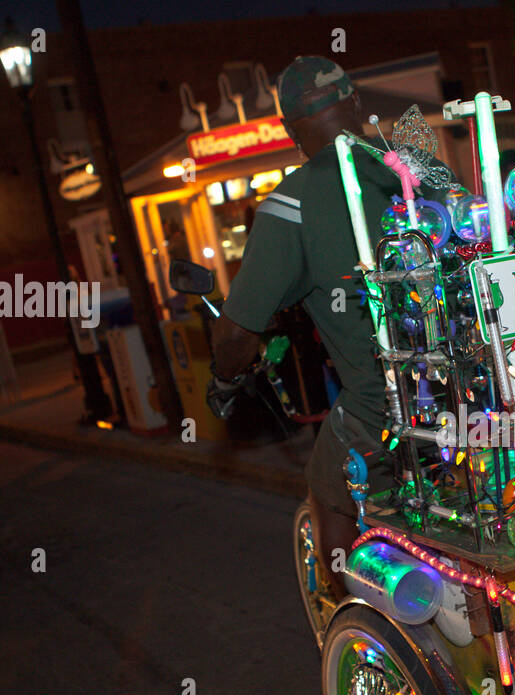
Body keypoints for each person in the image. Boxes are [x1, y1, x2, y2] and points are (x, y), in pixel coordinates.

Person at [206, 56, 401, 600]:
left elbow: (237, 333)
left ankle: (349, 609)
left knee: (325, 479)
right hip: (480, 387)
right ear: (356, 103)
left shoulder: (290, 204)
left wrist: (224, 379)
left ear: (291, 132)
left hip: (383, 405)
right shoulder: (415, 168)